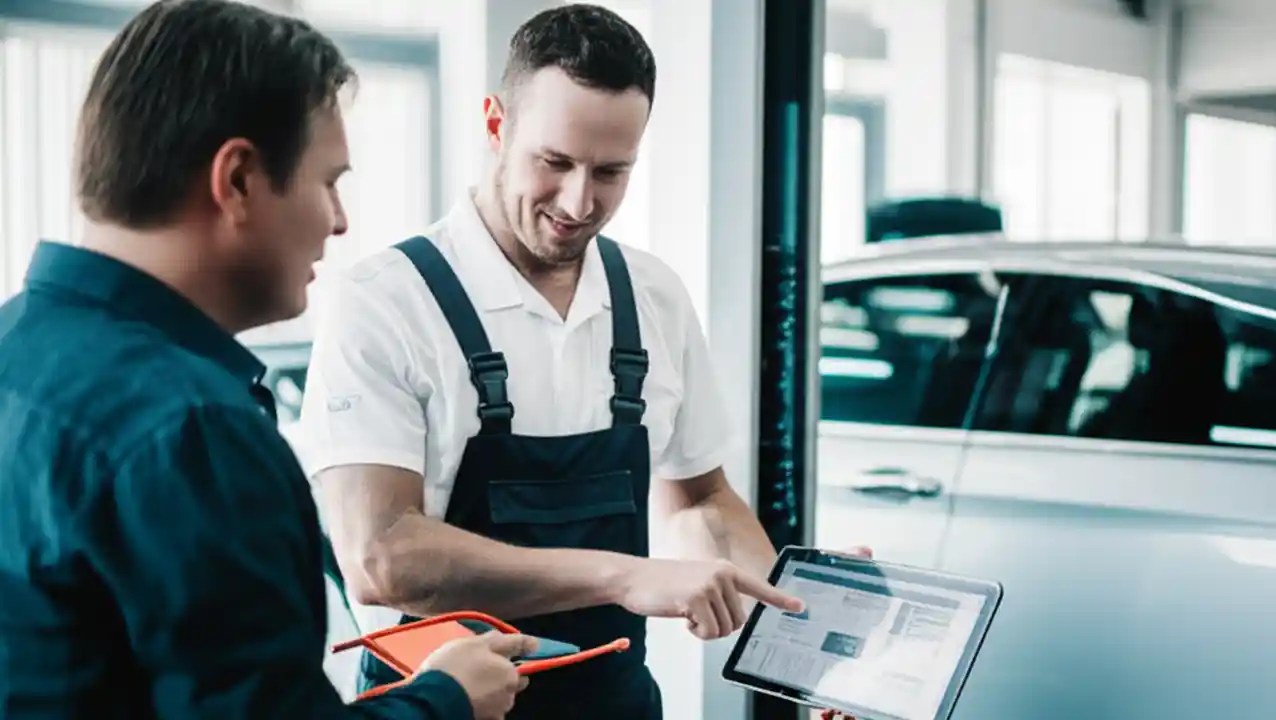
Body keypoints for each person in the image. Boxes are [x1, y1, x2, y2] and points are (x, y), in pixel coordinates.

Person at [299, 4, 865, 719]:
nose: (579, 200)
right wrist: (624, 577)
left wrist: (801, 629)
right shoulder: (385, 301)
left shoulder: (652, 294)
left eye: (611, 172)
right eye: (555, 162)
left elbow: (699, 501)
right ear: (496, 124)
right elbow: (383, 558)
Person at [0, 1, 533, 718]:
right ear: (240, 180)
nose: (339, 220)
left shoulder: (16, 348)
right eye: (328, 181)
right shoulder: (192, 433)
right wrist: (444, 699)